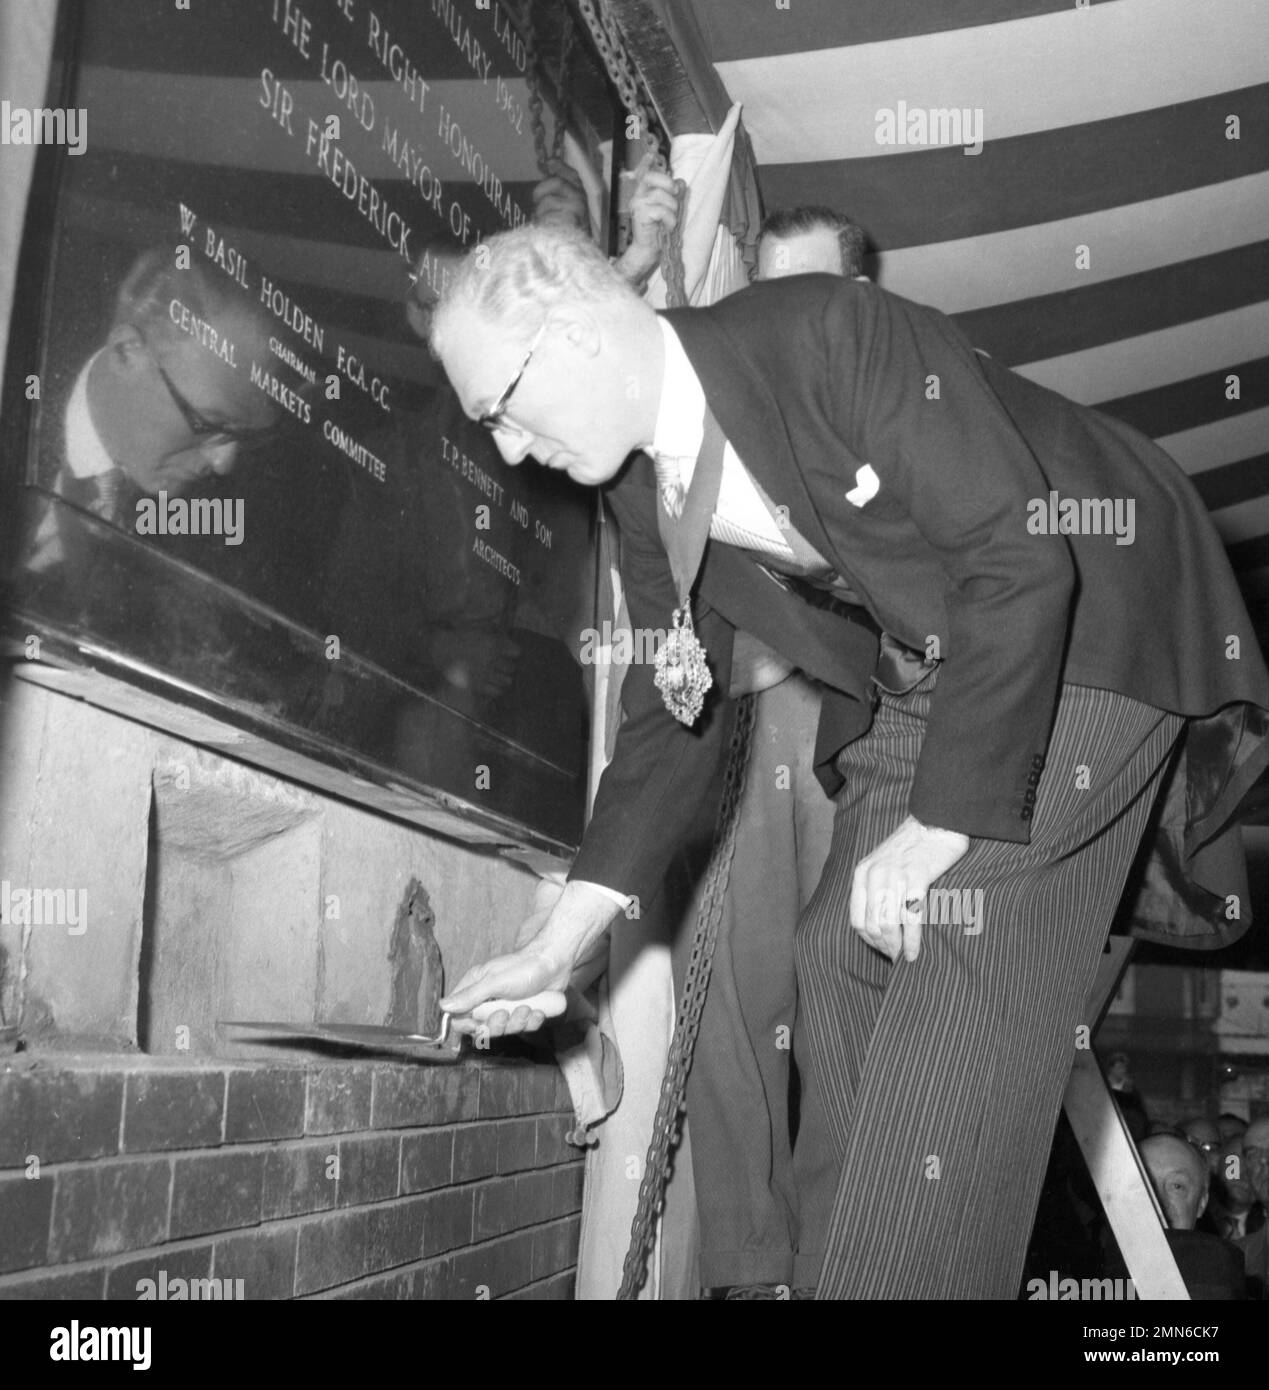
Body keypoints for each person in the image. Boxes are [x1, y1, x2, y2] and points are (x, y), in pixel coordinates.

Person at [431, 224, 1269, 1298]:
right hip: (937, 661)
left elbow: (1020, 557)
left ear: (576, 332)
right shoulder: (643, 494)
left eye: (501, 402)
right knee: (839, 951)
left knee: (961, 932)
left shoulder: (828, 333)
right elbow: (666, 716)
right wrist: (558, 946)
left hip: (1091, 607)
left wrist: (945, 822)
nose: (504, 448)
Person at [1107, 1134, 1245, 1299]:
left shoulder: (1219, 1286)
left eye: (1177, 1186)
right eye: (1142, 1183)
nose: (1157, 1199)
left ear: (1202, 1202)